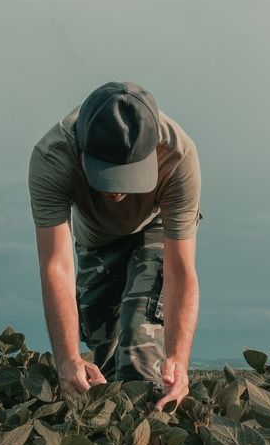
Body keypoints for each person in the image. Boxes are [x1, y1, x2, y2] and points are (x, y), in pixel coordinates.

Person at [28, 81, 201, 411]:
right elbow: (56, 266)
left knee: (142, 351)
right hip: (94, 240)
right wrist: (66, 360)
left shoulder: (179, 155)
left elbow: (181, 269)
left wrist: (178, 359)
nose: (119, 190)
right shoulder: (52, 156)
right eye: (108, 174)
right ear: (82, 155)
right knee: (99, 367)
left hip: (155, 230)